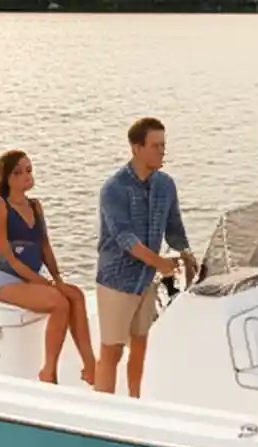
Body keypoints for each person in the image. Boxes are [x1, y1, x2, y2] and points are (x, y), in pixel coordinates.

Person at [93, 117, 198, 398]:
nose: (162, 151)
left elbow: (174, 227)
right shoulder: (113, 189)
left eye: (164, 145)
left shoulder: (166, 185)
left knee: (139, 345)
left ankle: (134, 403)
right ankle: (100, 409)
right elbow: (125, 238)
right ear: (136, 148)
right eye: (156, 146)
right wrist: (161, 264)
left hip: (145, 281)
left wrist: (186, 254)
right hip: (116, 280)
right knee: (112, 351)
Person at [0, 149, 97, 385]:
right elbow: (10, 259)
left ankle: (90, 365)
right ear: (7, 179)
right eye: (19, 172)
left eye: (29, 170)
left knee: (75, 294)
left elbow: (45, 245)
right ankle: (48, 371)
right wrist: (43, 283)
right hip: (8, 280)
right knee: (58, 303)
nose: (27, 175)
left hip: (30, 278)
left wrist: (57, 278)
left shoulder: (35, 206)